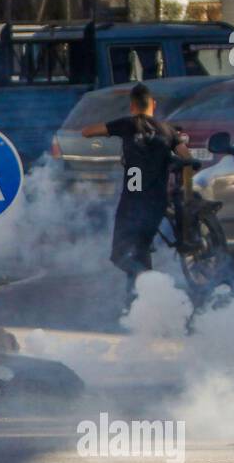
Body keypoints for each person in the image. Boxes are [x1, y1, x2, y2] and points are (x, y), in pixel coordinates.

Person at [81, 82, 192, 310]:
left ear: (132, 106)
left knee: (120, 255)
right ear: (153, 104)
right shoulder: (167, 130)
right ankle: (135, 302)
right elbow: (186, 156)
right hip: (157, 201)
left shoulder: (127, 125)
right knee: (140, 249)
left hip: (133, 201)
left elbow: (87, 132)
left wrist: (108, 133)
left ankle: (150, 283)